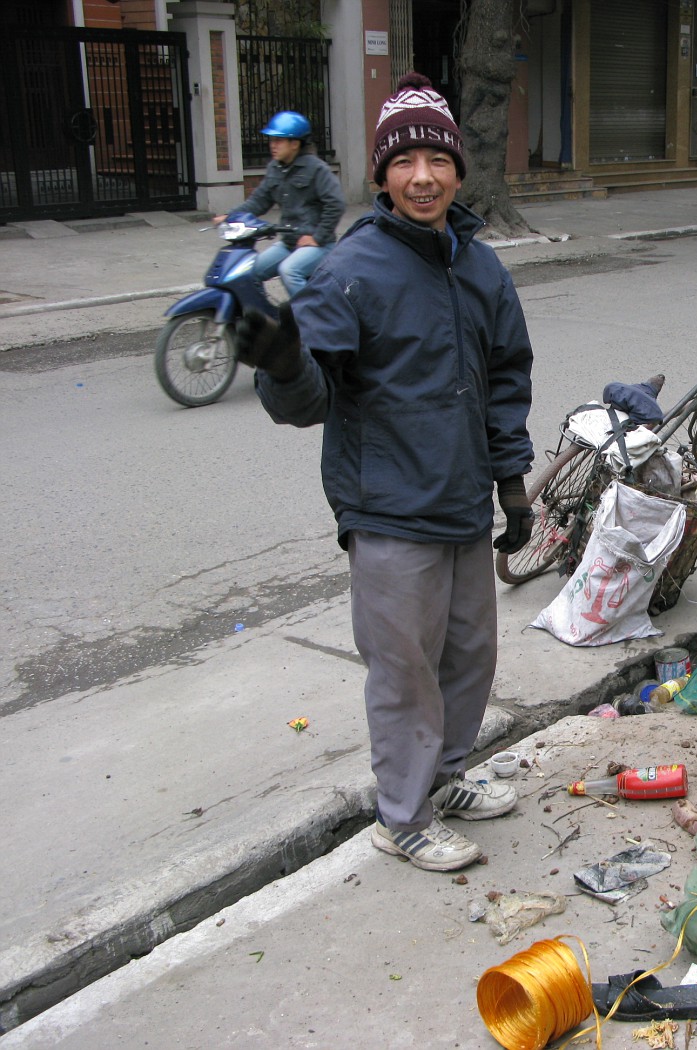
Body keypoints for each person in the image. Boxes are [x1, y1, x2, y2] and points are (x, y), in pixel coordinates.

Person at [232, 73, 535, 873]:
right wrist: (285, 362)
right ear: (381, 176)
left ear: (459, 173)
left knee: (469, 658)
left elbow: (506, 376)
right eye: (406, 163)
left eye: (439, 158)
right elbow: (306, 401)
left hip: (466, 503)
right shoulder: (348, 272)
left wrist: (512, 480)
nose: (424, 176)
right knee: (404, 675)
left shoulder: (480, 268)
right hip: (391, 510)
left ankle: (446, 775)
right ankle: (401, 817)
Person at [214, 111, 345, 298]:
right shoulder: (275, 169)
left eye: (278, 140)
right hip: (288, 242)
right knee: (249, 272)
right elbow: (258, 201)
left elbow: (336, 203)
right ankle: (263, 321)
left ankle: (312, 321)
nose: (272, 145)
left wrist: (317, 238)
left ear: (295, 143)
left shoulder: (317, 169)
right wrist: (230, 216)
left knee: (289, 271)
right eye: (271, 140)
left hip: (318, 245)